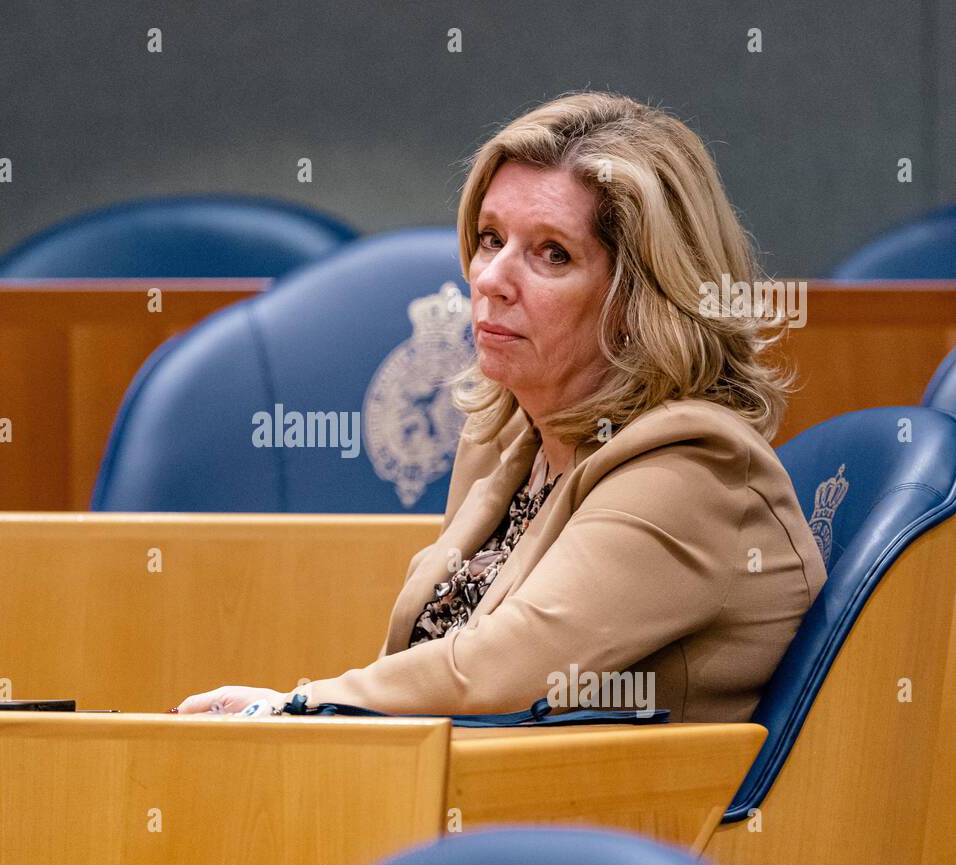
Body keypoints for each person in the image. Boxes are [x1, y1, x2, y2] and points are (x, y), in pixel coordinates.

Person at [177, 92, 827, 723]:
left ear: (641, 301)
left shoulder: (692, 470)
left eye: (552, 253)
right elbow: (429, 664)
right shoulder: (509, 437)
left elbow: (497, 672)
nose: (490, 279)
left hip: (629, 799)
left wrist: (289, 706)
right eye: (490, 239)